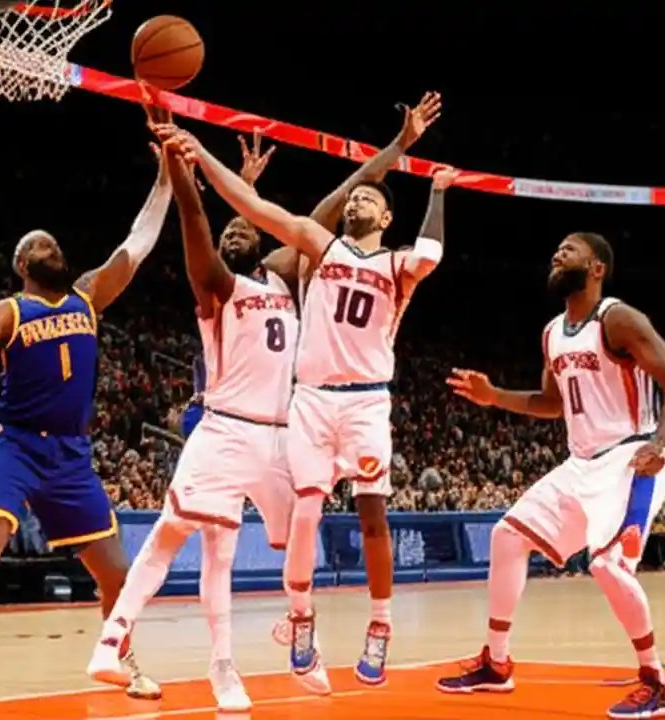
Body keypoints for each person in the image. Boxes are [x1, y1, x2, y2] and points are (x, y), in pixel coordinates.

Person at [151, 91, 449, 692]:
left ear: (387, 218)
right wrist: (201, 152)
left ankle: (381, 624)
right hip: (309, 401)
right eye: (355, 195)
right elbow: (251, 204)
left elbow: (432, 252)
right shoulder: (318, 244)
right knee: (307, 511)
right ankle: (301, 616)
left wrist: (436, 187)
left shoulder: (395, 265)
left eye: (370, 198)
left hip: (366, 400)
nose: (359, 199)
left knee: (372, 518)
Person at [0, 131, 172, 717]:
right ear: (24, 263)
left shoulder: (88, 296)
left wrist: (167, 179)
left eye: (52, 239)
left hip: (71, 455)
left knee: (116, 572)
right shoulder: (9, 311)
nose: (50, 244)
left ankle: (119, 654)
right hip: (16, 445)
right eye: (38, 243)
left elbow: (140, 241)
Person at [435, 232, 665, 720]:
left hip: (631, 457)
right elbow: (550, 403)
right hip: (581, 464)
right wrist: (495, 397)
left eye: (569, 249)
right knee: (507, 535)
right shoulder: (553, 331)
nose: (557, 254)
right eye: (555, 249)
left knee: (608, 565)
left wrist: (660, 444)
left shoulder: (618, 318)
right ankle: (496, 663)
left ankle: (656, 681)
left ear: (597, 268)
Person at [89, 129, 293, 713]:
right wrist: (182, 169)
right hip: (225, 426)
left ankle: (286, 637)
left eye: (245, 228)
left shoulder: (284, 279)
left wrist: (247, 189)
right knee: (181, 541)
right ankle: (133, 647)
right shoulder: (219, 286)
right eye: (231, 228)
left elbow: (270, 224)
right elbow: (203, 226)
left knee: (249, 548)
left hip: (275, 439)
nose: (236, 231)